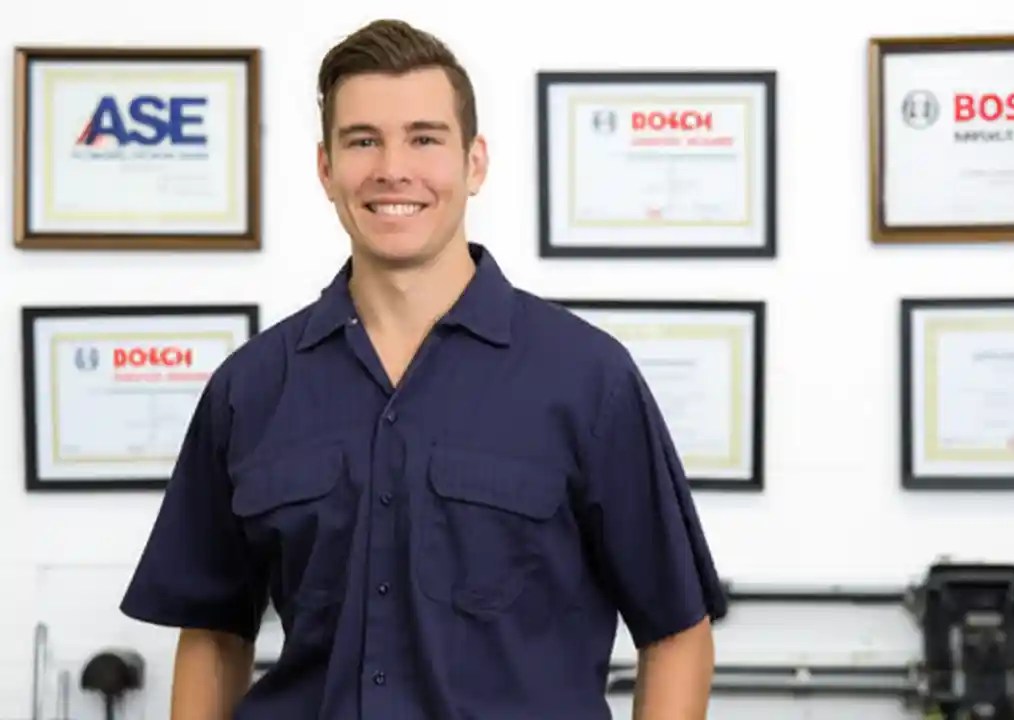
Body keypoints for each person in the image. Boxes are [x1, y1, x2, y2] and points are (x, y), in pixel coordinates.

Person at [119, 18, 727, 720]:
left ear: (475, 162)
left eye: (424, 138)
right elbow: (214, 632)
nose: (391, 169)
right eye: (363, 141)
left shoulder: (588, 379)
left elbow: (678, 631)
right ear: (326, 168)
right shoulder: (250, 388)